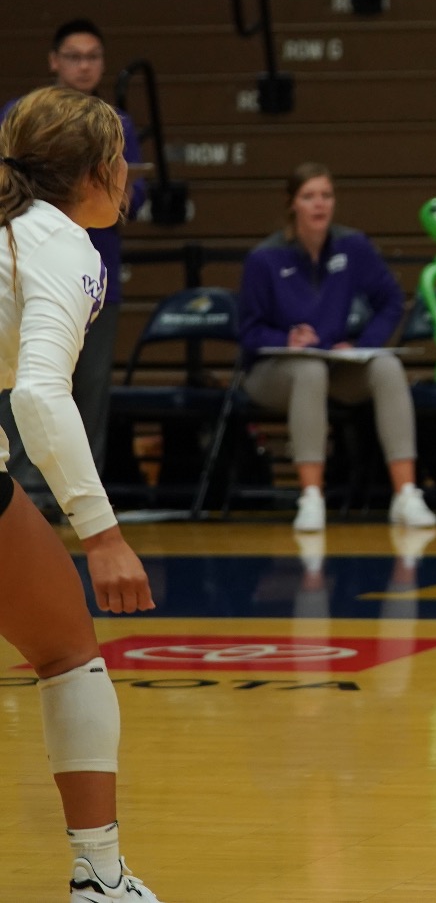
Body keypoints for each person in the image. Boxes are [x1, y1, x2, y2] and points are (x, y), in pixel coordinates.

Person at [0, 87, 171, 900]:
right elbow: (38, 392)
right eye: (123, 158)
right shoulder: (64, 245)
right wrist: (102, 533)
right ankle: (99, 876)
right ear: (102, 171)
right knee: (68, 653)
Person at [237, 163, 435, 532]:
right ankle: (311, 497)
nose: (319, 205)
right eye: (309, 196)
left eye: (326, 196)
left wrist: (365, 344)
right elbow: (248, 332)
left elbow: (391, 300)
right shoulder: (265, 259)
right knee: (308, 371)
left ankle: (406, 494)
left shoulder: (352, 246)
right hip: (272, 372)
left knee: (386, 367)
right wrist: (287, 340)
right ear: (291, 203)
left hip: (333, 363)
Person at [0, 20, 145, 485]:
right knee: (27, 382)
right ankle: (24, 489)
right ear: (54, 61)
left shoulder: (115, 124)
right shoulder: (20, 113)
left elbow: (131, 199)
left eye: (93, 57)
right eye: (74, 56)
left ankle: (76, 492)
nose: (84, 66)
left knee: (87, 389)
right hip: (32, 269)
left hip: (93, 265)